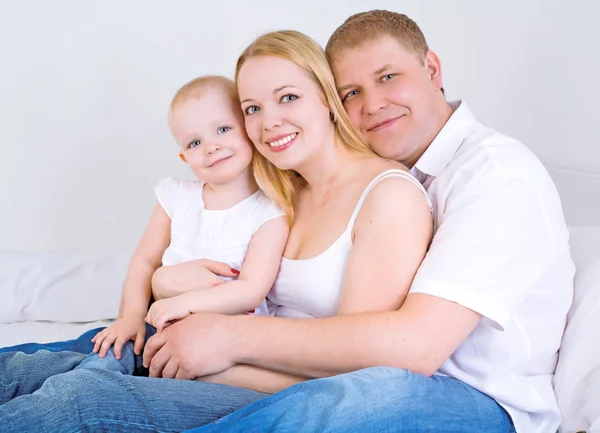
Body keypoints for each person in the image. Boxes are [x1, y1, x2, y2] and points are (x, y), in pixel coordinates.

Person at [0, 27, 433, 431]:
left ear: (327, 98)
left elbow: (358, 378)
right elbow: (190, 254)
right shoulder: (283, 189)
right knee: (23, 371)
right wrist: (162, 280)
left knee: (79, 401)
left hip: (266, 388)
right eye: (252, 109)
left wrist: (222, 362)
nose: (268, 123)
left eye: (288, 98)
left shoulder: (386, 197)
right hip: (200, 348)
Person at [89, 75, 288, 364]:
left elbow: (251, 290)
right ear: (184, 157)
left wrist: (184, 302)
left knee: (90, 377)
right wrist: (130, 317)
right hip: (155, 327)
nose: (211, 147)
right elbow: (145, 261)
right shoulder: (176, 197)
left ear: (247, 129)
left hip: (219, 346)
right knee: (80, 357)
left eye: (223, 129)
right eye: (195, 142)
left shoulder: (269, 212)